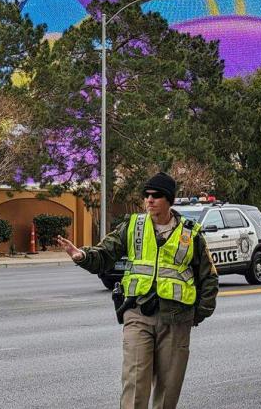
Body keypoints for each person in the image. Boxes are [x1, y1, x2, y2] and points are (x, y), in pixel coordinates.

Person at [56, 172, 219, 409]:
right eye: (146, 195)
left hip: (176, 320)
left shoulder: (190, 234)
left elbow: (209, 278)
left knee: (168, 391)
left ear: (169, 200)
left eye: (156, 196)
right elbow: (105, 254)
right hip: (138, 315)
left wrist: (198, 314)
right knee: (134, 384)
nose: (149, 200)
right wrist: (81, 255)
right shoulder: (133, 226)